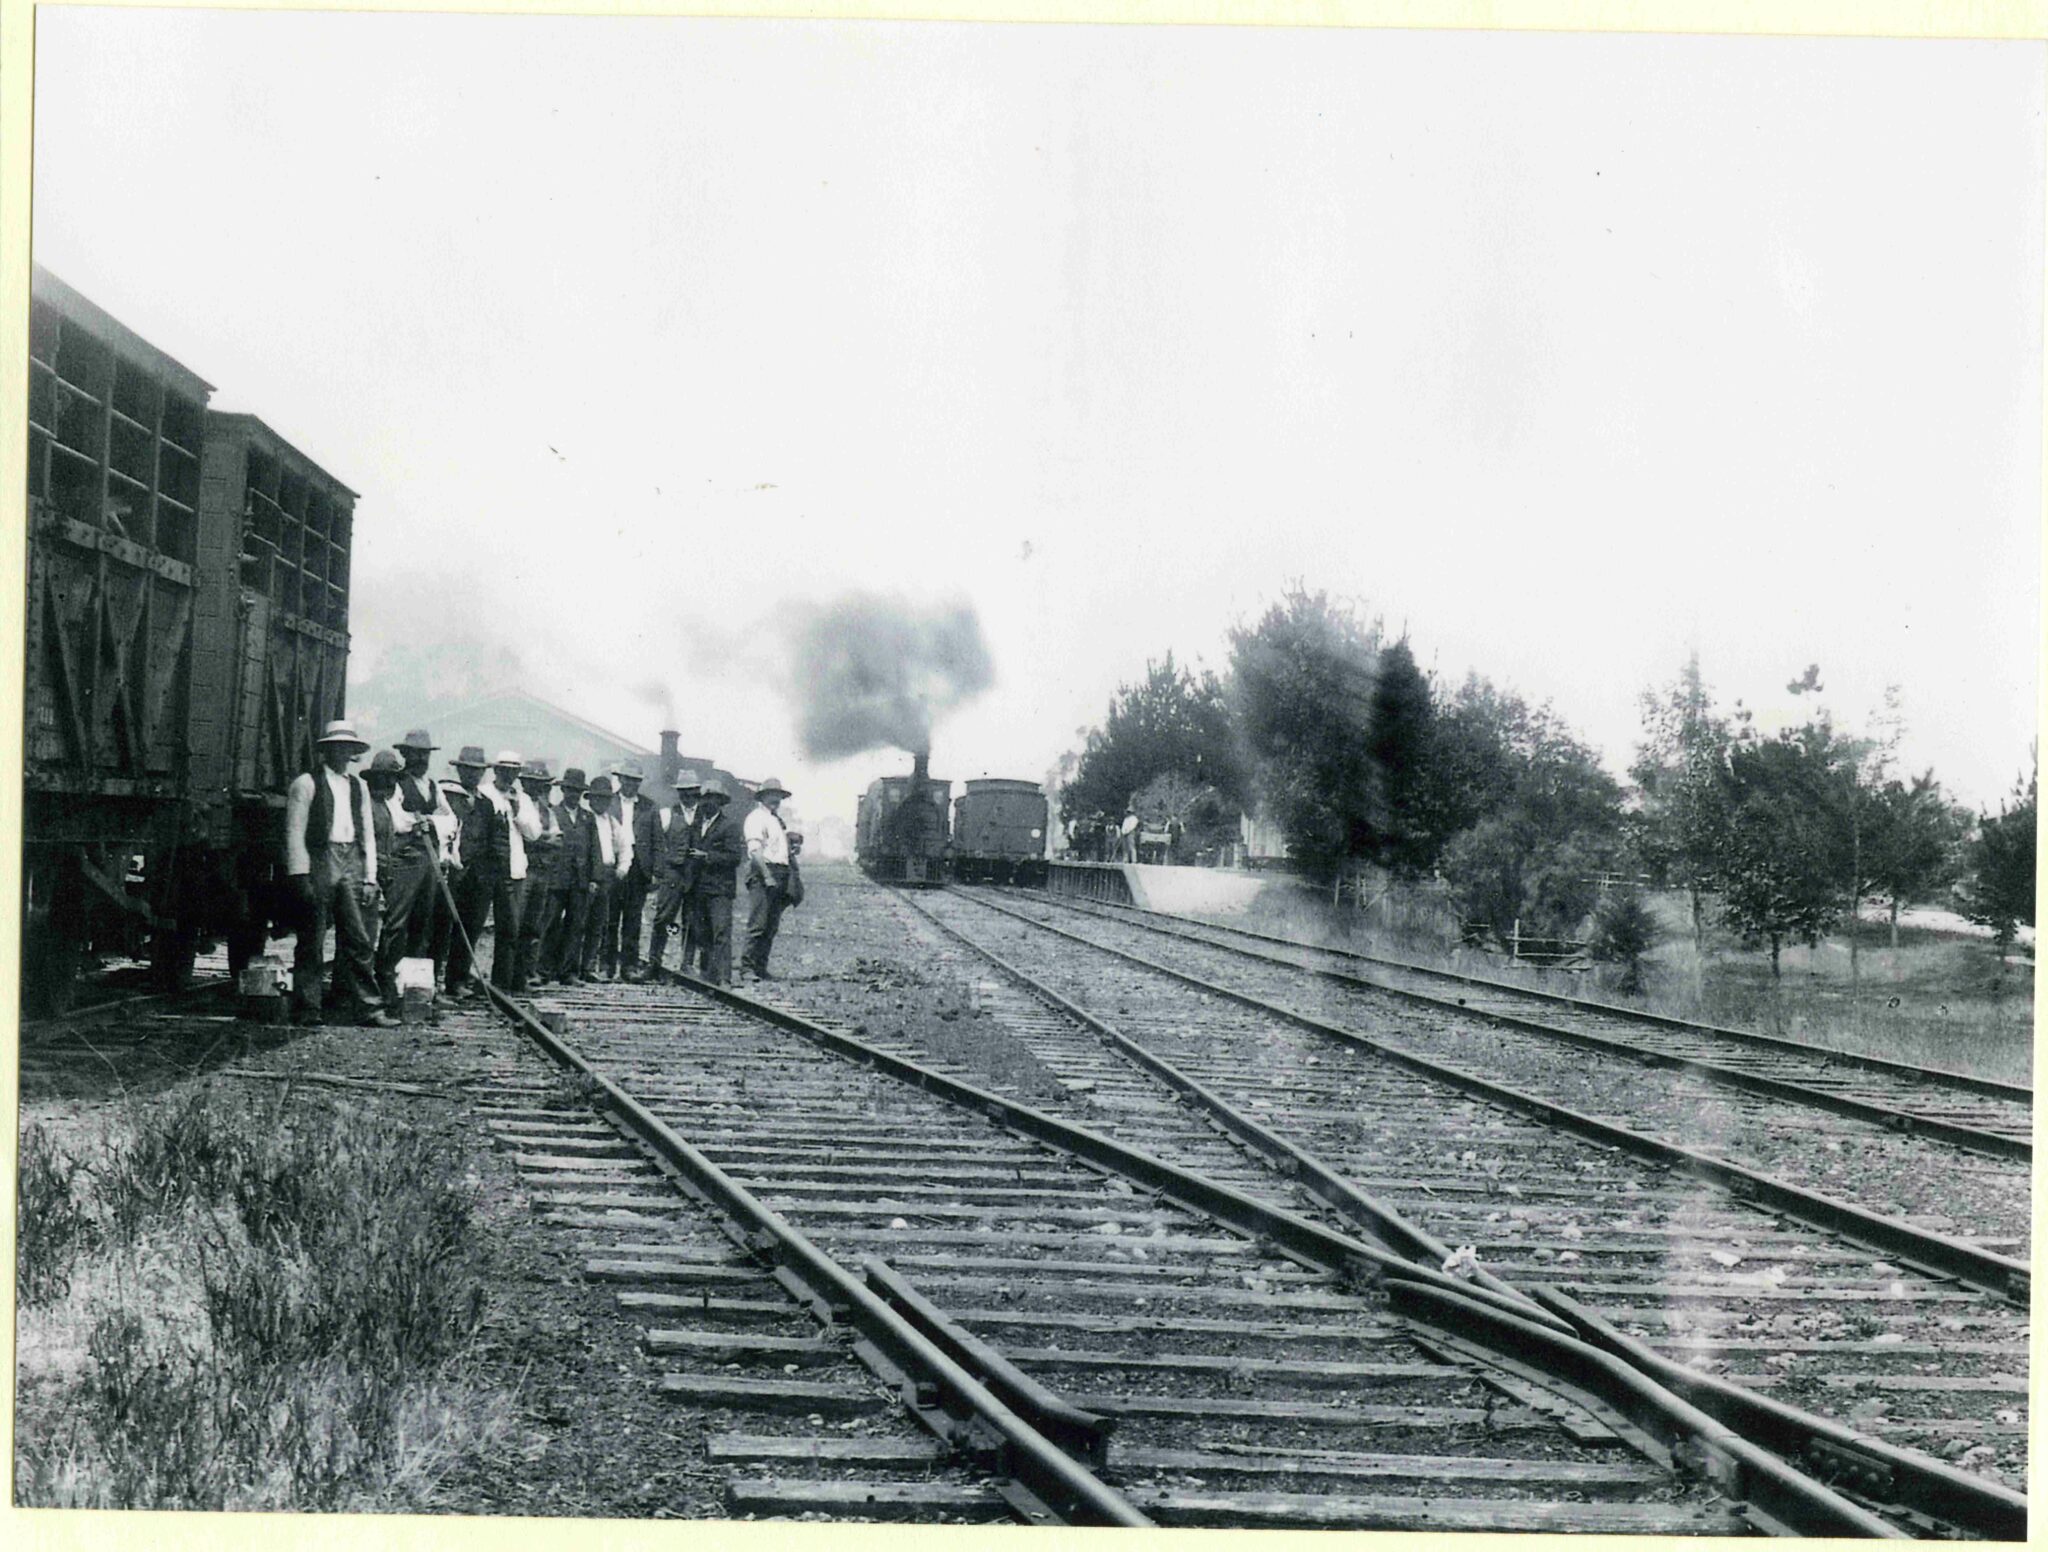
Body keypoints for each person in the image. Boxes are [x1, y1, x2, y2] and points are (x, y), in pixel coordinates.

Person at [281, 720, 394, 1027]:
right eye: (336, 747)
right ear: (327, 750)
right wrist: (300, 874)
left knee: (358, 938)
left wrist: (370, 877)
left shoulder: (359, 786)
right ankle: (308, 1008)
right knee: (312, 936)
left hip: (352, 859)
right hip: (320, 857)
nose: (342, 753)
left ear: (353, 752)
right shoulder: (306, 783)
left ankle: (369, 1008)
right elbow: (294, 833)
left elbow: (367, 834)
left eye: (347, 748)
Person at [364, 749, 437, 1019]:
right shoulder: (367, 801)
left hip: (389, 868)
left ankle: (391, 983)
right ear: (373, 779)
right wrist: (418, 824)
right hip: (373, 869)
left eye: (391, 778)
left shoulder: (390, 798)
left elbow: (403, 820)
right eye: (381, 778)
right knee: (383, 928)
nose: (386, 783)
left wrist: (420, 822)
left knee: (397, 925)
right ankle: (377, 984)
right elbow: (402, 823)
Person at [393, 730, 457, 998]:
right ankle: (391, 979)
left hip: (430, 862)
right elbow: (397, 818)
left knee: (424, 920)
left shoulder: (433, 786)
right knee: (398, 921)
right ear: (405, 754)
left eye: (424, 754)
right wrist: (417, 821)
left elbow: (450, 820)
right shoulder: (397, 783)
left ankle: (416, 985)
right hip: (405, 861)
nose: (420, 758)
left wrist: (429, 821)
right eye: (415, 753)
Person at [475, 750, 543, 992]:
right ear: (496, 771)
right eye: (504, 771)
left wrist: (517, 810)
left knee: (510, 928)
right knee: (474, 923)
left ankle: (503, 981)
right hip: (485, 869)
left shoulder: (521, 798)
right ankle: (460, 977)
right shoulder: (483, 792)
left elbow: (534, 833)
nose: (509, 776)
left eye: (513, 772)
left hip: (513, 870)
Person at [643, 770, 702, 979]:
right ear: (679, 793)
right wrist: (659, 871)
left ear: (697, 793)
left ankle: (686, 964)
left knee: (692, 919)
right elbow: (657, 843)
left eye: (692, 792)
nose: (687, 797)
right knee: (664, 918)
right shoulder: (668, 813)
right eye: (683, 793)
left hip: (696, 875)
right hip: (673, 873)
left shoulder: (704, 816)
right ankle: (654, 963)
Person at [443, 746, 491, 1000]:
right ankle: (434, 981)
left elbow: (495, 842)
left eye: (477, 771)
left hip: (479, 879)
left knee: (471, 929)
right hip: (452, 875)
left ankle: (457, 980)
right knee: (442, 927)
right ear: (459, 770)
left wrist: (491, 877)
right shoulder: (448, 798)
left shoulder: (487, 803)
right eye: (467, 770)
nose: (472, 775)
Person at [512, 761, 563, 992]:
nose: (537, 787)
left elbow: (557, 838)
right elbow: (522, 834)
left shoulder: (545, 808)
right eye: (532, 782)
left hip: (541, 871)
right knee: (516, 922)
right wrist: (543, 839)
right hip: (523, 870)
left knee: (533, 926)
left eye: (541, 783)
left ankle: (525, 974)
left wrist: (540, 839)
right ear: (524, 782)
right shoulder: (515, 802)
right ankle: (509, 974)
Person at [687, 778, 744, 984]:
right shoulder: (696, 824)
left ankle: (724, 979)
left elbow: (734, 857)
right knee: (702, 933)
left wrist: (707, 856)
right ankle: (707, 976)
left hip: (720, 889)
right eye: (704, 799)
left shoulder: (730, 826)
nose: (707, 803)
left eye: (712, 799)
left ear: (720, 802)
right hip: (699, 888)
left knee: (720, 933)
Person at [543, 768, 596, 984]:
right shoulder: (552, 812)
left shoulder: (588, 818)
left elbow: (594, 850)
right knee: (549, 923)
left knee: (576, 925)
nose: (573, 795)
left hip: (580, 881)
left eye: (577, 791)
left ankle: (568, 972)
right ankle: (543, 971)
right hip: (557, 878)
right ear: (563, 790)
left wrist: (593, 878)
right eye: (570, 790)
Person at [741, 777, 795, 982]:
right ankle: (747, 968)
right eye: (772, 795)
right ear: (763, 797)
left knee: (771, 925)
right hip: (763, 873)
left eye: (778, 796)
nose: (776, 799)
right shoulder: (756, 818)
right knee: (758, 923)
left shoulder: (775, 820)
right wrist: (767, 876)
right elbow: (755, 852)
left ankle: (760, 967)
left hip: (779, 873)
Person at [609, 761, 660, 979]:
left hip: (639, 869)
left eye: (636, 781)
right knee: (609, 918)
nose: (631, 784)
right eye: (628, 779)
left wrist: (657, 871)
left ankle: (628, 966)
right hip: (614, 865)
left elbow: (658, 840)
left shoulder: (649, 806)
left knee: (633, 919)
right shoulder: (609, 802)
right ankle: (607, 964)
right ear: (620, 779)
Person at [578, 775, 631, 977]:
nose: (602, 802)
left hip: (606, 876)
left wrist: (622, 868)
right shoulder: (584, 818)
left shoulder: (611, 822)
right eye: (598, 798)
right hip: (585, 875)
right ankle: (570, 967)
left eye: (606, 798)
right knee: (578, 923)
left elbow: (625, 847)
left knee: (597, 924)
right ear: (590, 798)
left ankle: (588, 967)